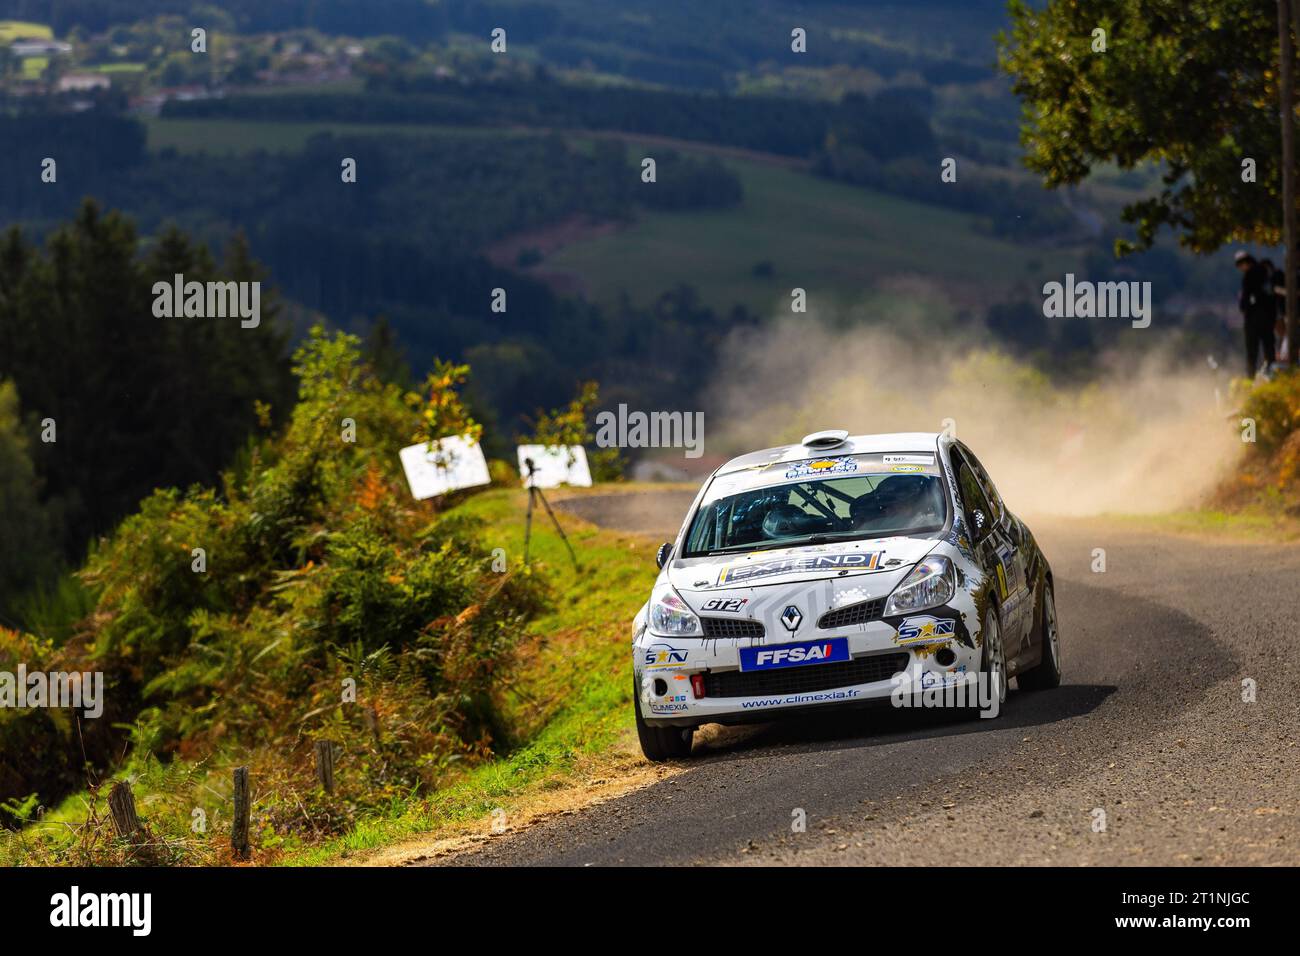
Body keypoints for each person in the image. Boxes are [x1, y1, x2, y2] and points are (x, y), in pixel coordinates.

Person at [1236, 250, 1277, 377]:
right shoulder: (1265, 274)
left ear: (1244, 264)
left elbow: (1245, 298)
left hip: (1253, 319)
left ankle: (1251, 377)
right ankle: (1271, 374)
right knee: (1269, 348)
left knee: (1252, 351)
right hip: (1268, 319)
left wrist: (1243, 307)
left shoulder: (1249, 275)